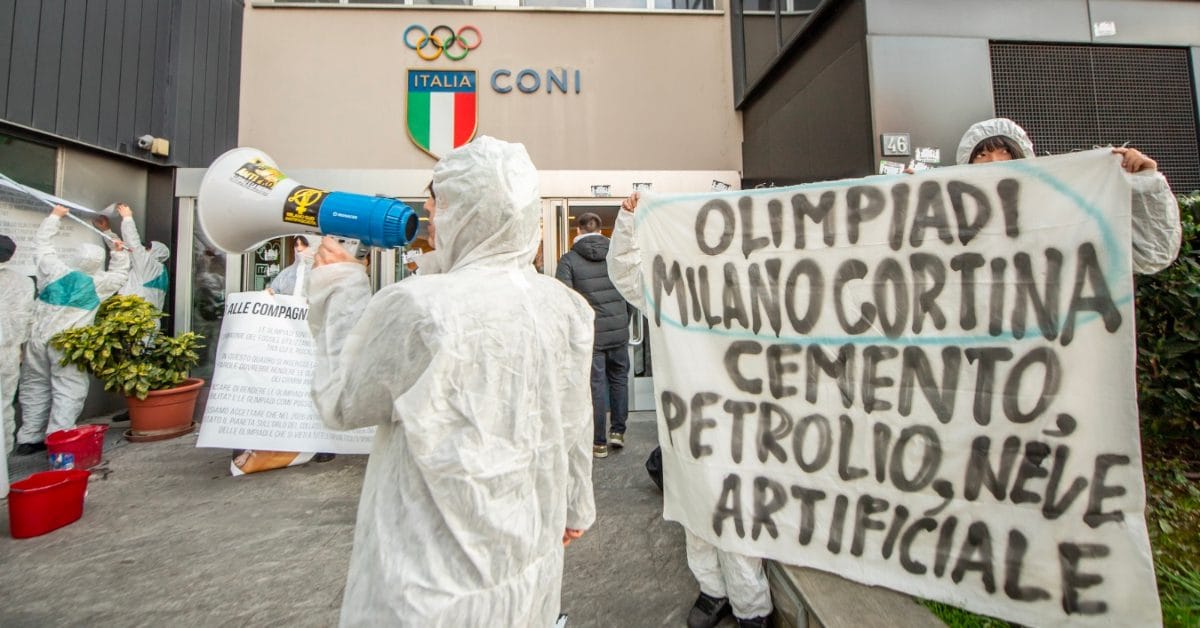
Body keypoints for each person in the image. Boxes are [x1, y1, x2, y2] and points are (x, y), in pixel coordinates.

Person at [306, 136, 596, 626]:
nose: (428, 212)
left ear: (468, 209)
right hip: (529, 557)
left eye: (436, 199)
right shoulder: (563, 306)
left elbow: (343, 401)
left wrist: (341, 287)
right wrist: (575, 505)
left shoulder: (419, 305)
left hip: (430, 581)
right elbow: (573, 420)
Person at [609, 191, 772, 628]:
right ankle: (713, 591)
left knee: (735, 516)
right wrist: (627, 221)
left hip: (741, 427)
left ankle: (751, 607)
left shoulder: (757, 288)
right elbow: (626, 274)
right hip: (687, 425)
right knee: (693, 510)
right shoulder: (672, 289)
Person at [957, 117, 1181, 274]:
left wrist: (1143, 186)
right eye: (982, 154)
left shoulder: (1065, 207)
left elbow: (1150, 254)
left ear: (1023, 155)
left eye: (1004, 151)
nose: (994, 162)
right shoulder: (951, 223)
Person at [15, 205, 129, 455]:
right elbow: (120, 274)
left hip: (38, 339)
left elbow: (42, 245)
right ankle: (59, 436)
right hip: (69, 344)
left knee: (35, 386)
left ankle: (29, 437)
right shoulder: (99, 283)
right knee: (68, 390)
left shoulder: (53, 271)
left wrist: (55, 216)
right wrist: (118, 252)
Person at [555, 212, 632, 459]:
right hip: (618, 330)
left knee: (596, 385)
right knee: (619, 378)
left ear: (578, 231)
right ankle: (618, 432)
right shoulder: (615, 256)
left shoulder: (568, 260)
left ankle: (598, 443)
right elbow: (628, 290)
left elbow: (564, 299)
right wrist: (624, 319)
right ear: (600, 231)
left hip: (591, 333)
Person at [0, 234, 34, 454]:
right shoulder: (23, 282)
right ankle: (4, 459)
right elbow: (27, 317)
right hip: (10, 351)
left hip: (10, 348)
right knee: (4, 404)